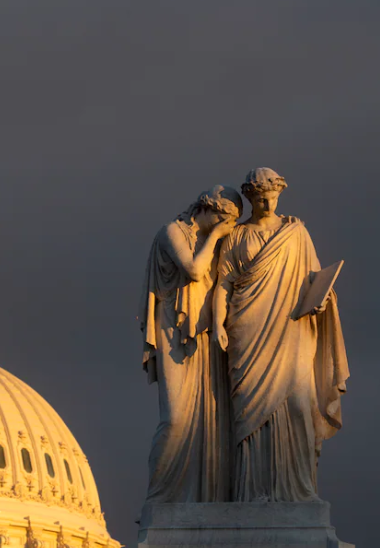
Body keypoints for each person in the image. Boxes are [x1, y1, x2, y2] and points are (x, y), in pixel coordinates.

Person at [213, 167, 349, 502]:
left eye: (271, 198)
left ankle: (298, 492)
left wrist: (322, 301)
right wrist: (217, 323)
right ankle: (252, 493)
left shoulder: (296, 233)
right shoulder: (236, 237)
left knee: (297, 407)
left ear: (279, 195)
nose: (266, 204)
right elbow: (223, 285)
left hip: (292, 330)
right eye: (259, 199)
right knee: (248, 414)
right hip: (247, 331)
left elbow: (314, 277)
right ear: (249, 198)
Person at [139, 185, 243, 502]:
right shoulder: (172, 231)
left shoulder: (216, 241)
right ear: (207, 208)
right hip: (173, 328)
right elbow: (194, 271)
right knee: (175, 419)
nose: (227, 228)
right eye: (224, 219)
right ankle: (157, 498)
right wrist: (214, 237)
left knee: (209, 422)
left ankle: (202, 498)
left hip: (203, 335)